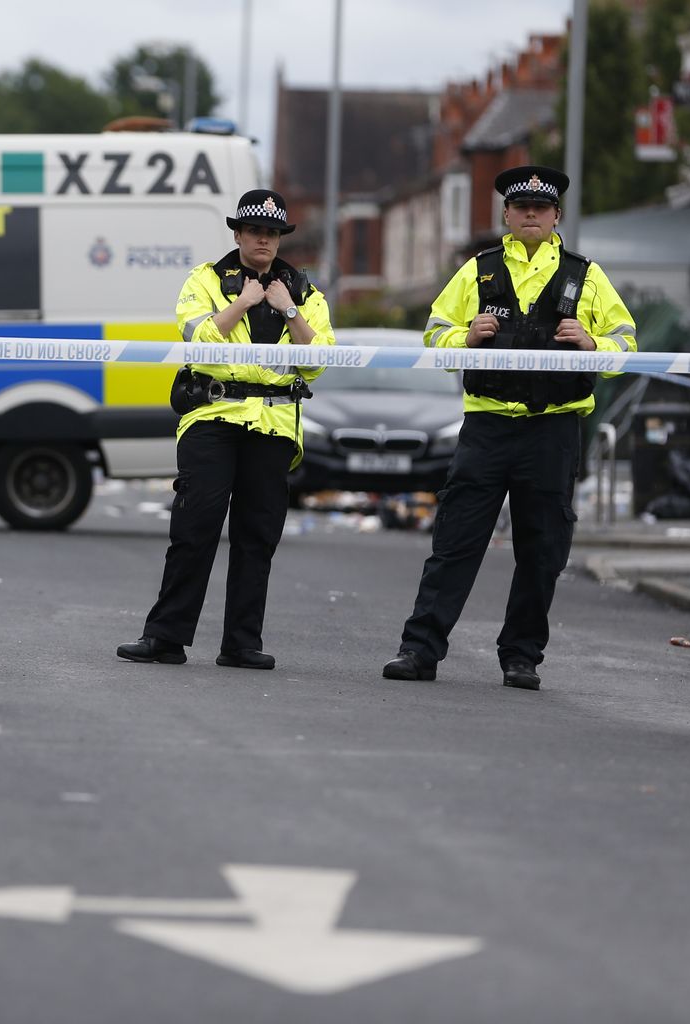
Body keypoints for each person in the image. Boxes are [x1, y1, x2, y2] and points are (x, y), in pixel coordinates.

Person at [382, 165, 636, 691]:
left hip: (553, 429)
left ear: (556, 215)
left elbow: (627, 344)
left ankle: (521, 657)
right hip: (488, 426)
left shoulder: (585, 275)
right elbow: (433, 336)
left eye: (540, 208)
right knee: (455, 542)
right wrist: (466, 338)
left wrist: (593, 344)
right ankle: (419, 650)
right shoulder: (478, 270)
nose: (530, 215)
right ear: (506, 214)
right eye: (521, 207)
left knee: (543, 552)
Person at [118, 189, 335, 670]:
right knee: (194, 528)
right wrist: (241, 304)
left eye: (272, 233)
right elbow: (198, 340)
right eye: (255, 231)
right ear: (237, 234)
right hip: (213, 416)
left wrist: (289, 311)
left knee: (257, 537)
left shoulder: (303, 290)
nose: (264, 240)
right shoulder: (206, 280)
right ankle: (165, 637)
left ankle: (241, 643)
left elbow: (318, 362)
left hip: (274, 422)